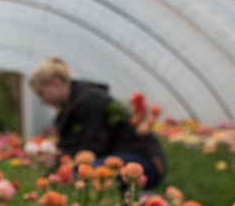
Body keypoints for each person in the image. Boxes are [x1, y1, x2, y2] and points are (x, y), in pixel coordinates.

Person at [29, 57, 166, 188]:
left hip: (145, 160)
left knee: (80, 177)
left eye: (42, 94)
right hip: (119, 156)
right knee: (58, 176)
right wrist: (57, 158)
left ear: (55, 82)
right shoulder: (69, 109)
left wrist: (60, 160)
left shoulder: (90, 100)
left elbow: (94, 146)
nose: (42, 101)